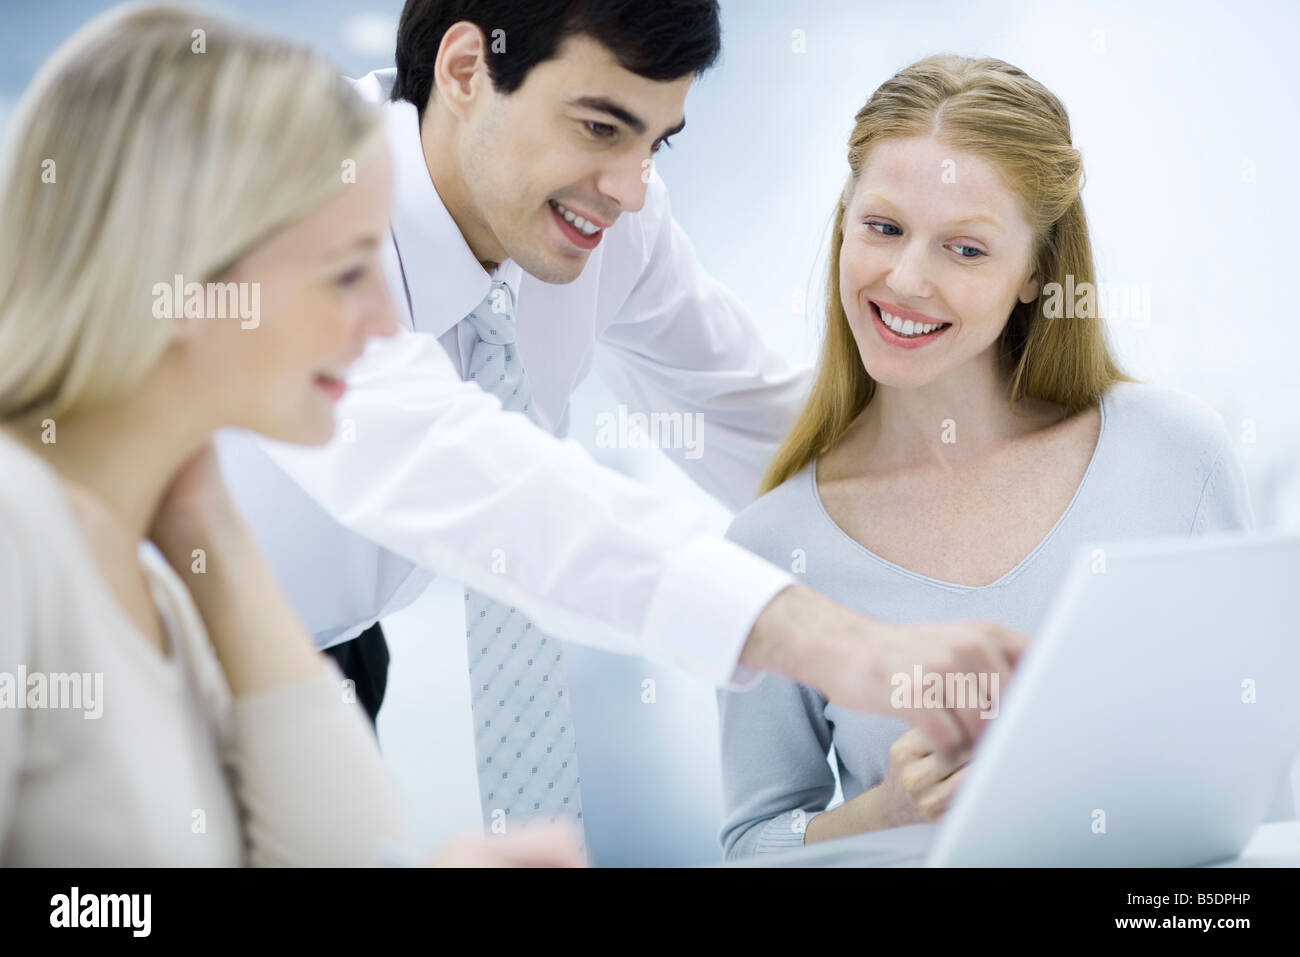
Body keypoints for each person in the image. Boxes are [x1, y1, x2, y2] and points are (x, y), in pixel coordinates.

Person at [216, 0, 1026, 841]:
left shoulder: (610, 218)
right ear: (465, 71)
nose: (630, 189)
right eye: (602, 128)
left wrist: (996, 537)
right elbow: (467, 472)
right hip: (134, 653)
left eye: (656, 142)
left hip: (320, 667)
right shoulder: (287, 199)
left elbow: (752, 414)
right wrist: (831, 643)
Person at [0, 3, 583, 868]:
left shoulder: (159, 578)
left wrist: (206, 517)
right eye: (348, 271)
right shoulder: (18, 537)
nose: (390, 320)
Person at [716, 54, 1261, 860]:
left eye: (965, 250)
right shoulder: (771, 544)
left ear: (1037, 274)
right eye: (883, 227)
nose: (905, 278)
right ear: (843, 223)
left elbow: (1261, 759)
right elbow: (753, 842)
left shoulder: (1176, 454)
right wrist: (885, 811)